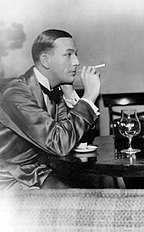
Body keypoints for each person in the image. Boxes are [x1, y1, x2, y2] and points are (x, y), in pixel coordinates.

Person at [0, 29, 101, 190]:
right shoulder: (15, 94)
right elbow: (59, 144)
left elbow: (74, 139)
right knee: (78, 198)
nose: (76, 62)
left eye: (76, 54)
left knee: (85, 193)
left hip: (38, 172)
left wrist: (70, 95)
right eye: (68, 55)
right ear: (46, 61)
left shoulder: (55, 89)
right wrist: (88, 97)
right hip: (9, 178)